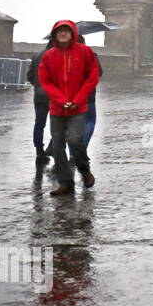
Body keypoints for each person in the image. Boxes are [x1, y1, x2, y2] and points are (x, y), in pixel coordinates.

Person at [36, 20, 100, 196]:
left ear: (73, 34)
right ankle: (65, 182)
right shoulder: (49, 56)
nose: (63, 34)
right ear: (54, 35)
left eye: (66, 31)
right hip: (58, 108)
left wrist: (77, 100)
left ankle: (84, 170)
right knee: (57, 145)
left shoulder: (85, 52)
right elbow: (45, 80)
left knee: (74, 140)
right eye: (59, 31)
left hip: (77, 108)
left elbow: (93, 76)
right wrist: (61, 100)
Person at [27, 40, 54, 166]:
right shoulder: (58, 55)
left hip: (39, 96)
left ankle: (39, 152)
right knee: (60, 124)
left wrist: (38, 86)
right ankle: (52, 148)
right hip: (55, 97)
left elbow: (29, 76)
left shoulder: (37, 55)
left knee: (39, 125)